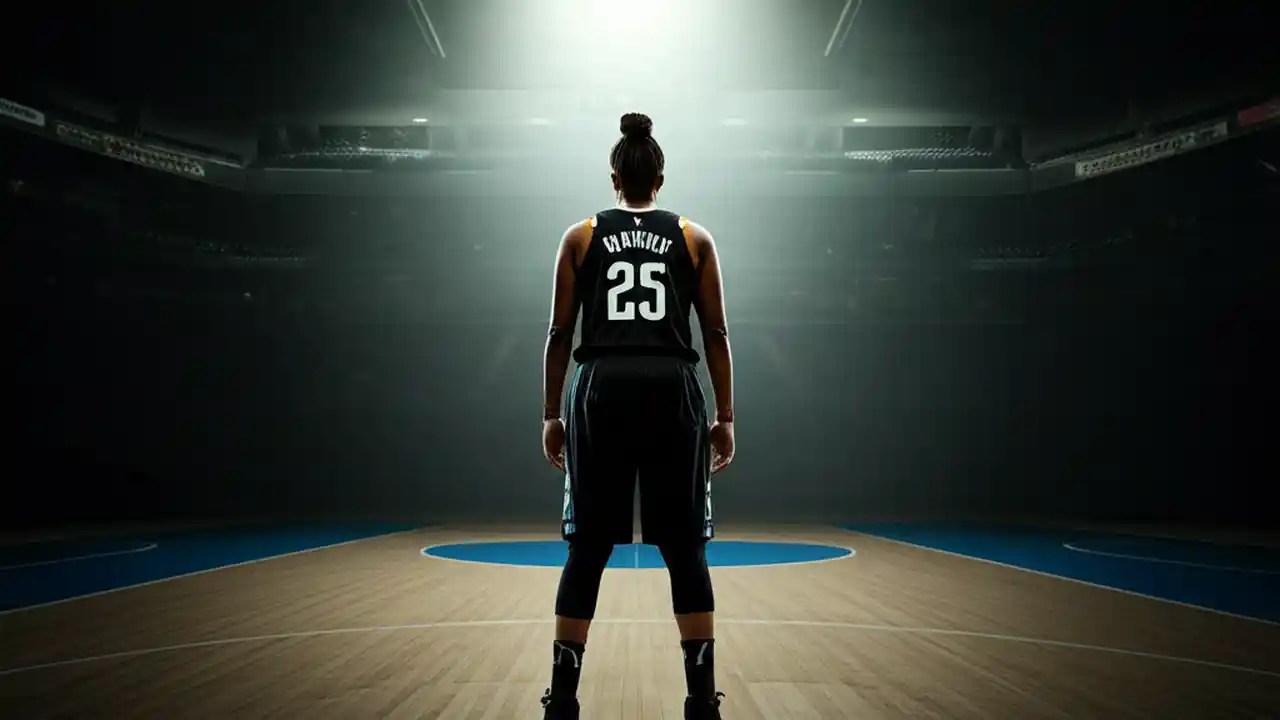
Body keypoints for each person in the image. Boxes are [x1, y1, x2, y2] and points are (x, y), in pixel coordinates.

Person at [539, 112, 735, 719]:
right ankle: (701, 701)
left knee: (588, 548)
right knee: (685, 551)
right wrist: (725, 415)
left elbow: (558, 334)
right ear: (660, 174)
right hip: (673, 384)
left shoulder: (581, 236)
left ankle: (563, 700)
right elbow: (717, 333)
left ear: (614, 174)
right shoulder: (694, 237)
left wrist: (552, 412)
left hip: (600, 384)